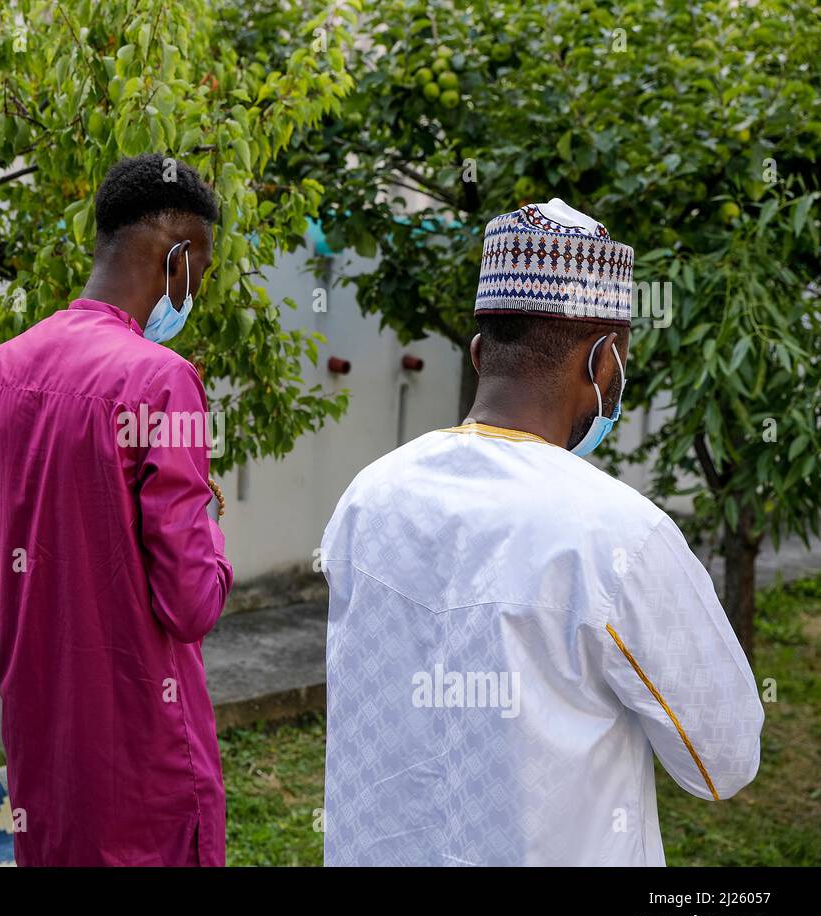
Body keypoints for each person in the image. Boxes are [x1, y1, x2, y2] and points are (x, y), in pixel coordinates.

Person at [321, 199, 764, 866]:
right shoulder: (619, 535)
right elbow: (722, 761)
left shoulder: (370, 497)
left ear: (478, 352)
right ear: (604, 361)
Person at [0, 154, 233, 866]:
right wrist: (211, 532)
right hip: (147, 757)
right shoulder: (164, 381)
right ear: (178, 254)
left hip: (45, 751)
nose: (197, 291)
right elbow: (191, 600)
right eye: (200, 271)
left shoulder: (1, 368)